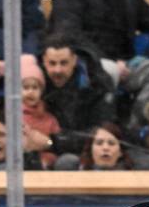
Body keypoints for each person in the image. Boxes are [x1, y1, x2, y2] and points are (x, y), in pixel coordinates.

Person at [38, 34, 121, 171]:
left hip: (84, 153)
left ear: (74, 60)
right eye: (52, 63)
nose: (57, 70)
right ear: (44, 62)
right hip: (43, 152)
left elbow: (100, 133)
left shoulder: (97, 85)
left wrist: (51, 142)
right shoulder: (32, 85)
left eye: (63, 63)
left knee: (67, 163)